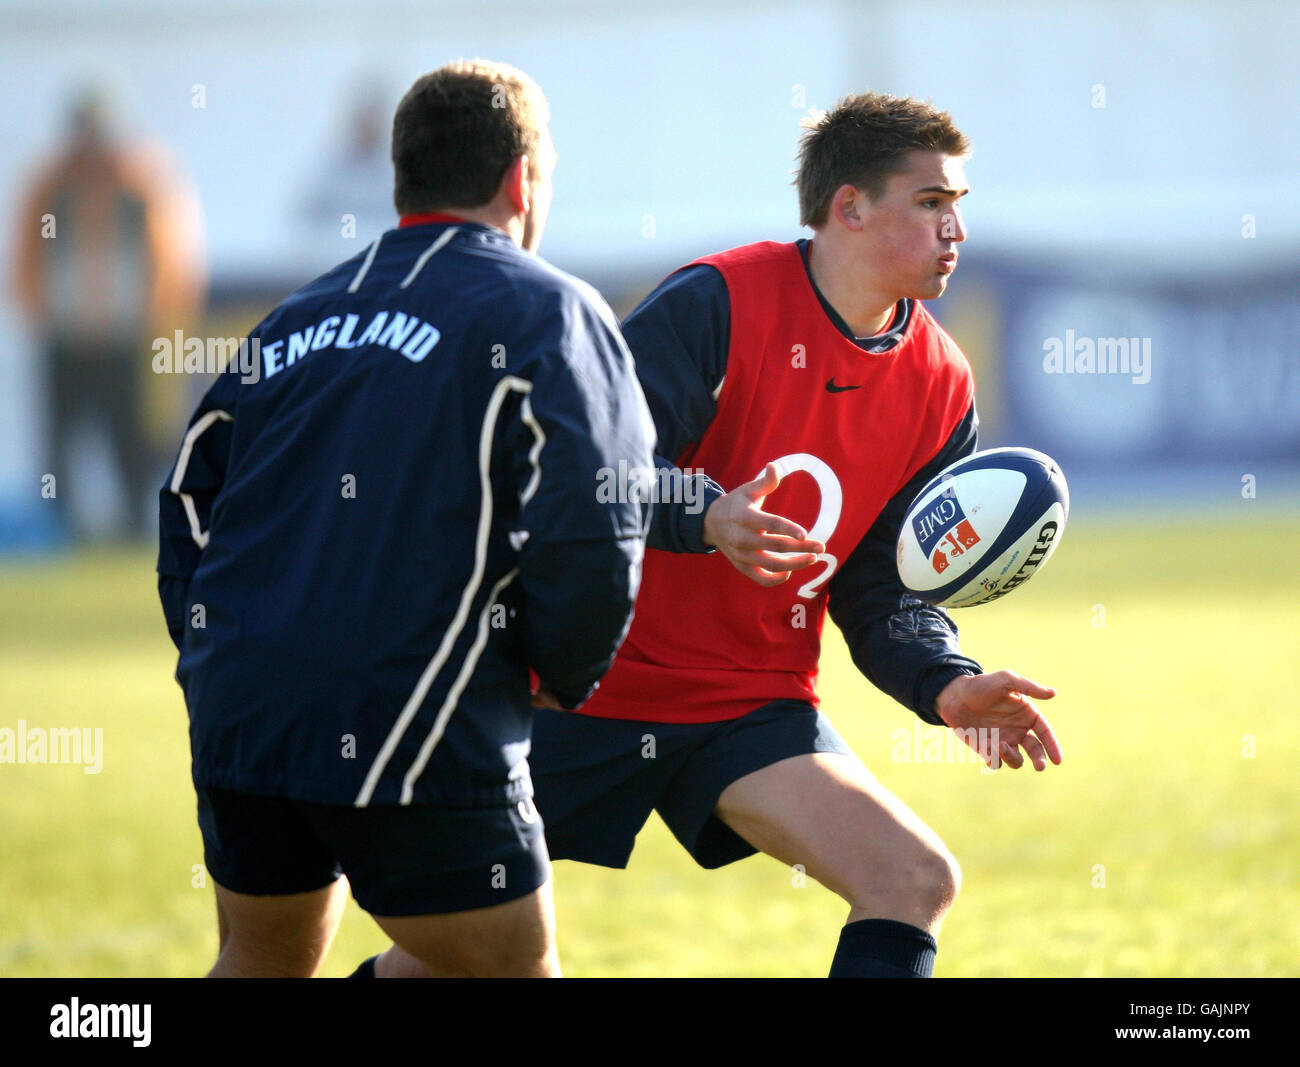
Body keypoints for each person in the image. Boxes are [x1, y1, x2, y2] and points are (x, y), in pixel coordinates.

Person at [368, 91, 1062, 979]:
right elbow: (579, 473)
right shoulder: (718, 302)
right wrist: (703, 517)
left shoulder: (942, 383)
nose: (954, 228)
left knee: (911, 877)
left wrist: (948, 684)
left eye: (958, 205)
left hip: (751, 704)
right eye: (930, 202)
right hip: (585, 687)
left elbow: (879, 588)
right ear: (847, 206)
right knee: (455, 960)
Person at [156, 59, 655, 978]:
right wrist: (564, 667)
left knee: (261, 960)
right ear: (524, 179)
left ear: (403, 177)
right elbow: (593, 516)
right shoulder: (551, 310)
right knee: (509, 968)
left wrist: (212, 652)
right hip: (414, 714)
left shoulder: (294, 317)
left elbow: (188, 493)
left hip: (246, 709)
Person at [12, 86, 204, 541]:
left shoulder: (141, 185)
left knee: (132, 444)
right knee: (59, 446)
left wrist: (154, 321)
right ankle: (63, 533)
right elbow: (26, 260)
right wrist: (46, 316)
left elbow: (173, 259)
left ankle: (134, 529)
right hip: (65, 341)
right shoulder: (50, 188)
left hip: (125, 341)